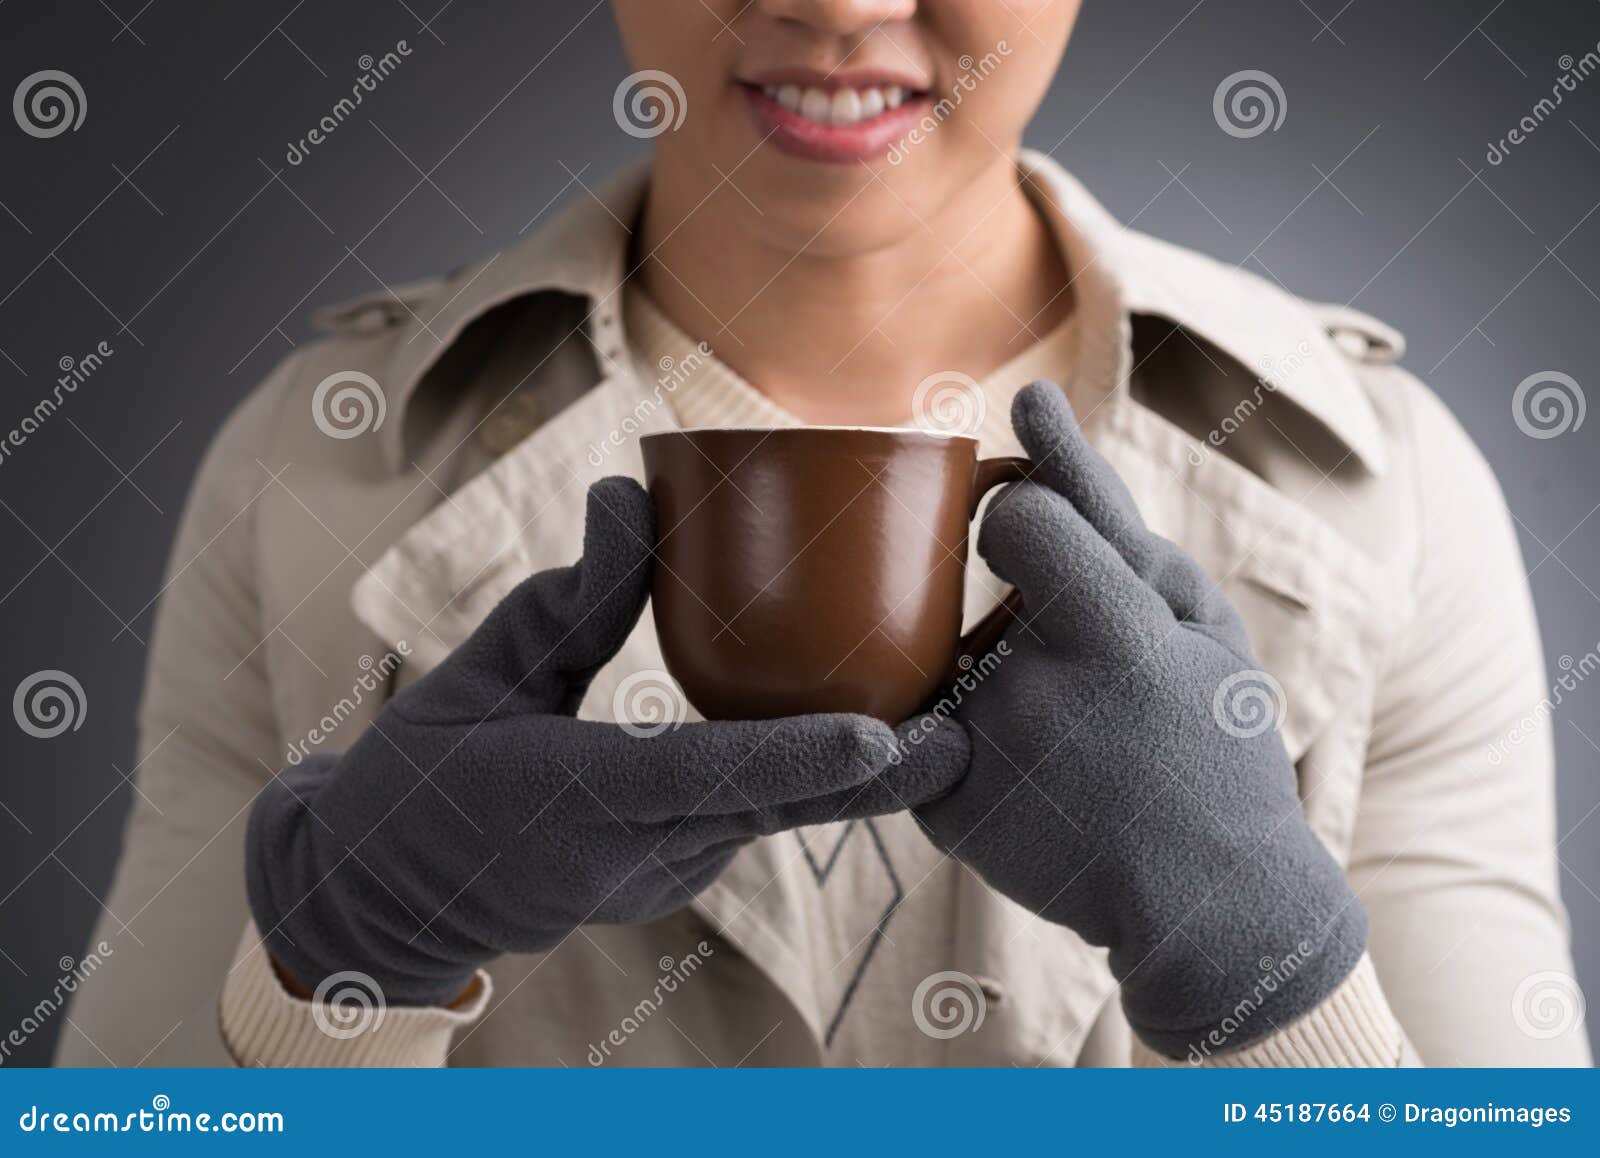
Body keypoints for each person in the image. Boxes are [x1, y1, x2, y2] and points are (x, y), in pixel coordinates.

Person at [60, 0, 1589, 1068]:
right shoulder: (312, 468)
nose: (842, 7)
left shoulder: (1383, 487)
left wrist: (1270, 981)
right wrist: (348, 976)